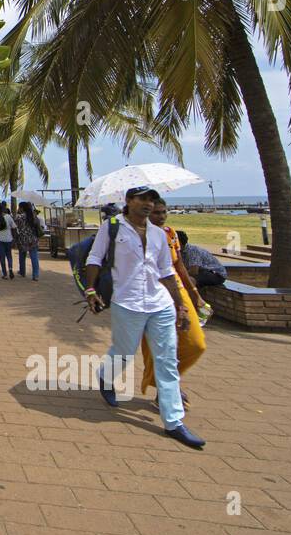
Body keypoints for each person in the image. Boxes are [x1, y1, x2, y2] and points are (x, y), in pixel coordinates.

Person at [83, 187, 205, 449]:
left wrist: (181, 305)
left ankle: (174, 422)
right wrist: (90, 289)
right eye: (143, 199)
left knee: (167, 361)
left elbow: (166, 271)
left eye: (152, 200)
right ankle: (106, 376)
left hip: (159, 304)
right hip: (127, 303)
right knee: (124, 351)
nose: (149, 204)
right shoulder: (113, 227)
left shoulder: (159, 234)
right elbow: (95, 257)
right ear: (129, 201)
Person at [139, 199, 206, 403]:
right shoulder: (137, 236)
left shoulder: (171, 234)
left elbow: (180, 266)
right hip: (150, 292)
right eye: (155, 213)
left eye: (163, 212)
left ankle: (168, 382)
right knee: (159, 345)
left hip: (176, 290)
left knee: (196, 343)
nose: (161, 216)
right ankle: (167, 387)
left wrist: (194, 293)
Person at [13, 201, 45, 279]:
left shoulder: (19, 217)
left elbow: (14, 226)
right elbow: (38, 225)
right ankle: (36, 275)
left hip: (22, 239)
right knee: (34, 256)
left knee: (22, 256)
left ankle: (22, 272)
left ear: (22, 208)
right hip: (33, 239)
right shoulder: (33, 216)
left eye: (19, 207)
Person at [0, 204, 16, 278]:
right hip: (8, 239)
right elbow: (14, 227)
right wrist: (14, 239)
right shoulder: (8, 217)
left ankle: (4, 273)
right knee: (9, 255)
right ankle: (10, 269)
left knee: (2, 256)